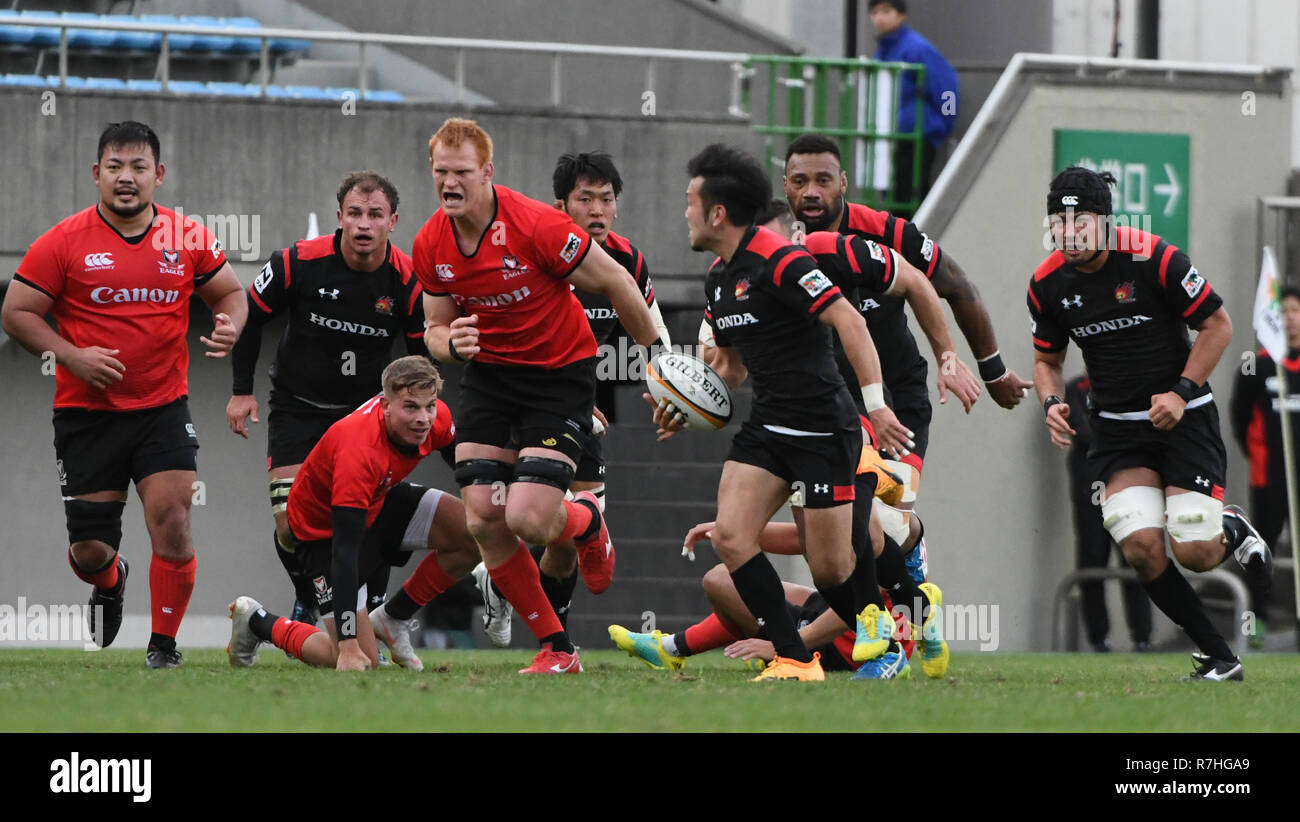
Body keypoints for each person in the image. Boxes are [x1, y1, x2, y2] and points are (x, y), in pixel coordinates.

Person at [653, 142, 912, 682]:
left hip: (824, 428)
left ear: (717, 213)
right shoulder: (719, 278)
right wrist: (683, 405)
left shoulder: (782, 260)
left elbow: (852, 323)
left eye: (689, 202)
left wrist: (877, 407)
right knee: (730, 535)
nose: (685, 213)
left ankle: (896, 610)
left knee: (832, 567)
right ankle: (796, 659)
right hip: (768, 428)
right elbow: (730, 370)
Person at [415, 118, 666, 674]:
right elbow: (434, 329)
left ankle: (588, 524)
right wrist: (449, 344)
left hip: (558, 376)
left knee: (529, 520)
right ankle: (558, 648)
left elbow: (618, 283)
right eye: (440, 172)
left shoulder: (534, 224)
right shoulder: (430, 239)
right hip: (490, 378)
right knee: (483, 519)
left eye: (460, 172)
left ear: (487, 172)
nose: (448, 183)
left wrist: (661, 362)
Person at [1, 121, 246, 669]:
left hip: (163, 408)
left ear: (158, 175)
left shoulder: (186, 237)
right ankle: (111, 581)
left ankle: (163, 646)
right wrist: (71, 355)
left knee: (174, 518)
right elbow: (15, 312)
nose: (126, 179)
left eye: (138, 168)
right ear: (96, 175)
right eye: (115, 168)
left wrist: (230, 322)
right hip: (86, 415)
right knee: (89, 552)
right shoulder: (63, 241)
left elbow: (230, 291)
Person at [1029, 166, 1272, 681]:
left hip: (1184, 420)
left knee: (1197, 552)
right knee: (1139, 545)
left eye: (1082, 222)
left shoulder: (1154, 258)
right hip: (1117, 429)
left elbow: (1217, 326)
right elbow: (1047, 361)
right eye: (1060, 221)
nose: (1070, 233)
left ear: (1106, 221)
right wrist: (1052, 403)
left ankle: (1229, 526)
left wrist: (1182, 391)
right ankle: (1219, 658)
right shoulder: (1047, 282)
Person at [470, 150, 674, 647]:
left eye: (607, 200)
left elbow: (651, 327)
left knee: (567, 538)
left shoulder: (626, 261)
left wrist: (671, 389)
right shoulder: (532, 252)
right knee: (511, 516)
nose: (598, 211)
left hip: (575, 403)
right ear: (561, 206)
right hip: (515, 395)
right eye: (586, 200)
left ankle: (551, 633)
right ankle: (549, 637)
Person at [226, 171, 426, 629]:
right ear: (339, 217)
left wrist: (419, 417)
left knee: (365, 519)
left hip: (366, 419)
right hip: (297, 408)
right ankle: (305, 598)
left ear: (392, 221)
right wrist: (241, 392)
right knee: (290, 523)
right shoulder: (297, 261)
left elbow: (419, 359)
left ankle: (366, 609)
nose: (363, 224)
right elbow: (251, 319)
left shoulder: (408, 279)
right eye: (354, 213)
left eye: (375, 215)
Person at [227, 356, 480, 671]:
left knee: (477, 532)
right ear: (385, 404)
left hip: (379, 503)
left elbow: (465, 462)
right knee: (362, 660)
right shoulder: (358, 451)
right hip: (323, 536)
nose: (423, 418)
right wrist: (348, 647)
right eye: (411, 407)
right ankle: (258, 621)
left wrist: (496, 500)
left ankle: (394, 617)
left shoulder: (435, 416)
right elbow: (344, 551)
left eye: (429, 406)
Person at [1229, 284, 1300, 646]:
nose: (1290, 318)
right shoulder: (1257, 364)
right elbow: (1240, 417)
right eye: (1283, 311)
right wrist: (1256, 453)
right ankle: (1254, 620)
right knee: (1261, 547)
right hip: (1269, 474)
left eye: (1295, 310)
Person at [1065, 372, 1152, 653]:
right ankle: (1099, 639)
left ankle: (1142, 638)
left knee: (1135, 555)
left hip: (1127, 481)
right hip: (1089, 485)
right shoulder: (1076, 389)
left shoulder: (1132, 383)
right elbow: (1084, 432)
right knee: (1092, 558)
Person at [867, 0, 958, 211]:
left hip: (916, 135)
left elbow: (947, 86)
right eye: (875, 12)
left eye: (886, 11)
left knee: (909, 198)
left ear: (901, 15)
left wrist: (945, 124)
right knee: (894, 197)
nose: (880, 18)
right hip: (891, 135)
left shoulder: (916, 48)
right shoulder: (883, 50)